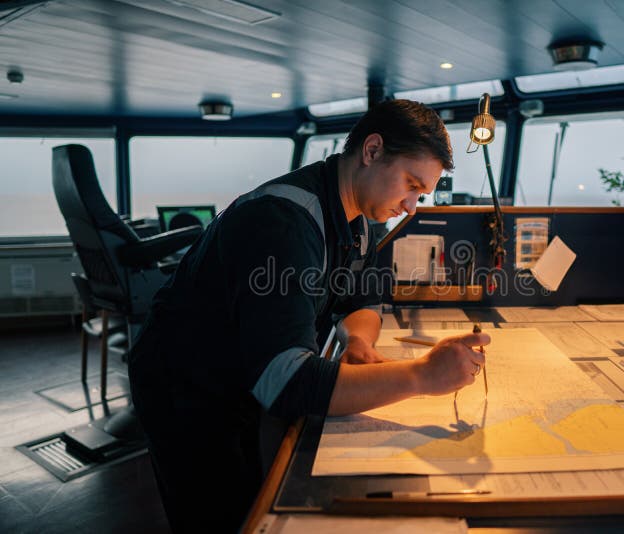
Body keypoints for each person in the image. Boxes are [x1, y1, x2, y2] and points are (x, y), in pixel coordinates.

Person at [128, 99, 491, 532]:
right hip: (186, 383)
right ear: (372, 150)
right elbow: (287, 383)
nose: (412, 206)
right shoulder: (282, 222)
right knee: (220, 513)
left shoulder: (356, 218)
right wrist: (422, 376)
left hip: (241, 373)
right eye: (411, 185)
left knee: (248, 494)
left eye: (421, 193)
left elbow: (363, 299)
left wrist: (358, 341)